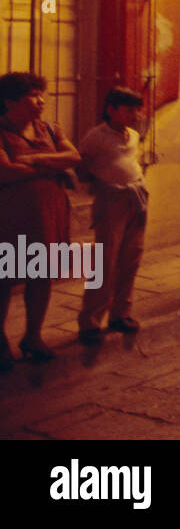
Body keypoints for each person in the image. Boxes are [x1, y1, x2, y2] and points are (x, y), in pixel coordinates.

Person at [0, 72, 79, 366]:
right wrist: (52, 166)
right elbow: (5, 171)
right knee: (4, 279)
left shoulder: (48, 128)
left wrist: (33, 161)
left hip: (48, 212)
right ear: (9, 101)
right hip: (11, 218)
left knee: (41, 276)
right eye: (32, 96)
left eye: (41, 95)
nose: (40, 101)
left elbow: (74, 157)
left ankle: (33, 335)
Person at [76, 87, 148, 344]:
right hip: (111, 200)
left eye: (136, 109)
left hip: (136, 198)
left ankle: (121, 313)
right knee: (105, 259)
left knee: (132, 256)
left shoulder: (133, 135)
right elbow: (82, 167)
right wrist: (102, 185)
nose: (134, 114)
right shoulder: (96, 136)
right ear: (111, 109)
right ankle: (91, 320)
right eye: (129, 109)